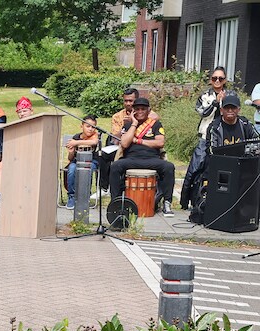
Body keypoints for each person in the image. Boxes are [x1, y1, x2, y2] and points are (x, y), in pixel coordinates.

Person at [189, 94, 259, 222]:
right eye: (227, 108)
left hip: (243, 168)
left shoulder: (245, 124)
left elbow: (256, 142)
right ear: (221, 110)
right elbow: (212, 152)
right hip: (219, 170)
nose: (230, 111)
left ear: (239, 109)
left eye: (233, 108)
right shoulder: (214, 127)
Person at [109, 97, 175, 217]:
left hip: (152, 159)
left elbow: (160, 143)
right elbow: (124, 143)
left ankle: (167, 202)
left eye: (143, 109)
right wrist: (134, 123)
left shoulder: (156, 124)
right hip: (131, 159)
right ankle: (116, 202)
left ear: (148, 110)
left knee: (169, 167)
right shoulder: (128, 125)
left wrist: (139, 141)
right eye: (137, 109)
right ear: (133, 111)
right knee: (115, 166)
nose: (140, 111)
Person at [181, 67, 236, 210]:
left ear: (225, 80)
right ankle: (186, 200)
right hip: (206, 137)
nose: (217, 81)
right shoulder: (205, 95)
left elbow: (235, 112)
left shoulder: (231, 94)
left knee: (222, 170)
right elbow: (203, 113)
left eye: (220, 78)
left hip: (226, 138)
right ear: (210, 80)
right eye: (214, 78)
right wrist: (216, 103)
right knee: (195, 168)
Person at [64, 116, 100, 210]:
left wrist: (76, 143)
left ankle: (85, 196)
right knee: (71, 169)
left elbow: (94, 142)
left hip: (91, 161)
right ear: (82, 126)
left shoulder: (95, 135)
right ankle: (72, 196)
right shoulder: (76, 137)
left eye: (93, 127)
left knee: (87, 169)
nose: (91, 129)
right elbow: (70, 158)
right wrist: (71, 151)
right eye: (88, 126)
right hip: (76, 160)